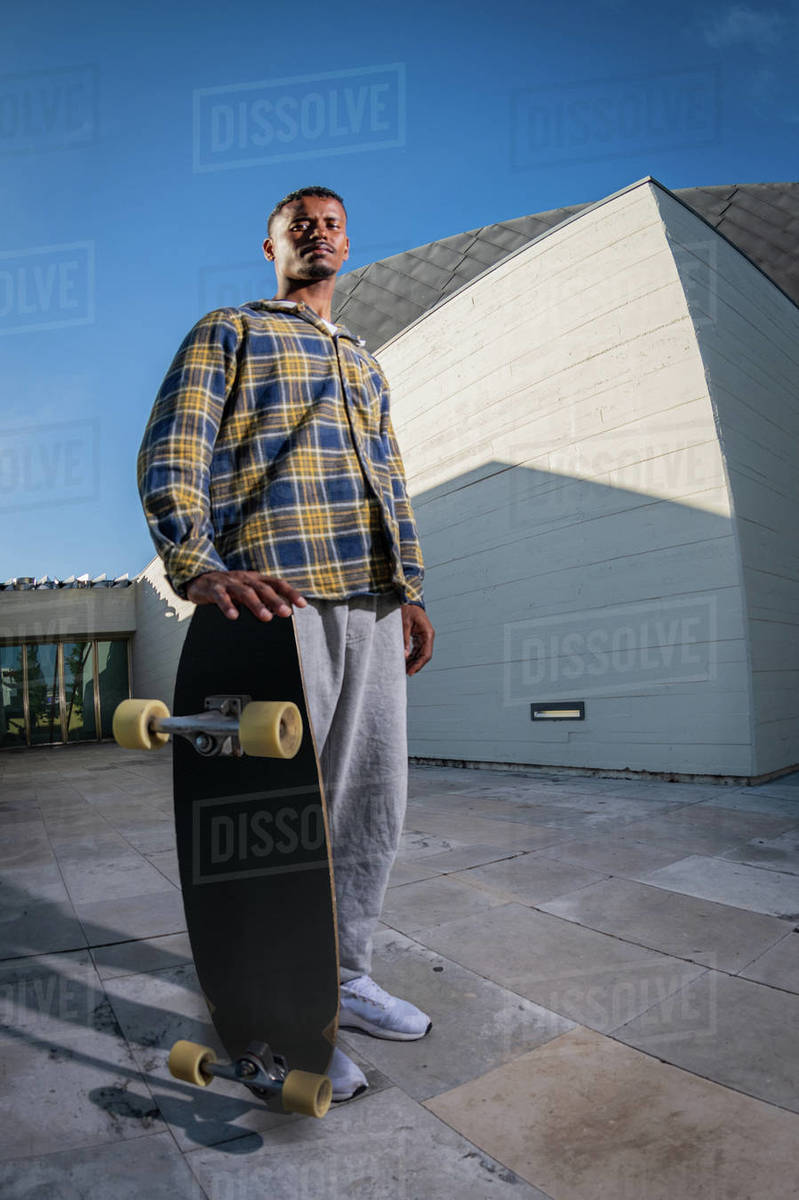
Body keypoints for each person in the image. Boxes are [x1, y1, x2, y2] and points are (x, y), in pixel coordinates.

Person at [138, 185, 435, 1102]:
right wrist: (194, 564)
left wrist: (410, 587)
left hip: (372, 598)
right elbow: (175, 447)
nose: (317, 232)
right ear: (271, 245)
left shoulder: (364, 361)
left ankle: (342, 979)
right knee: (286, 814)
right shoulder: (230, 331)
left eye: (331, 223)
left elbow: (390, 478)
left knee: (371, 801)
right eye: (298, 224)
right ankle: (283, 1011)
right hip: (279, 595)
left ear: (348, 241)